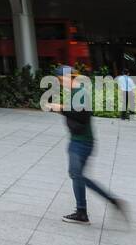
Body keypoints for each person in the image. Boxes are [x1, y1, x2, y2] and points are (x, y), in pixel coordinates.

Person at [49, 65, 127, 225]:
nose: (59, 82)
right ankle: (85, 210)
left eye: (60, 79)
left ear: (68, 77)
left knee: (77, 175)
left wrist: (60, 108)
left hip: (81, 142)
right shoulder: (76, 92)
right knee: (76, 175)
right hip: (79, 141)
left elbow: (82, 116)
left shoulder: (81, 93)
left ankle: (86, 210)